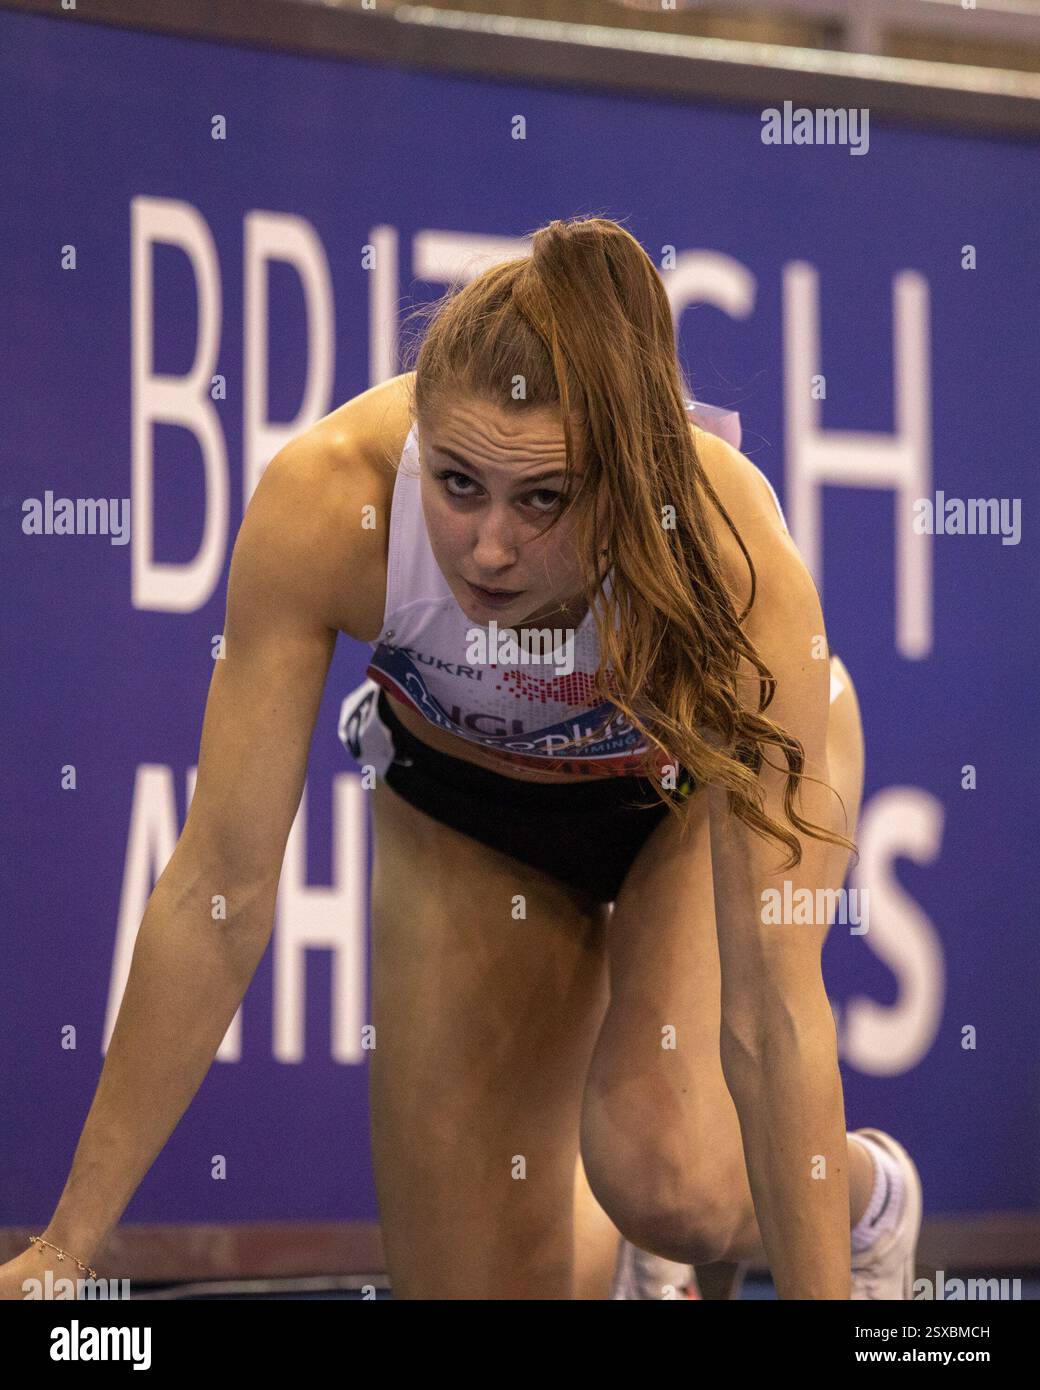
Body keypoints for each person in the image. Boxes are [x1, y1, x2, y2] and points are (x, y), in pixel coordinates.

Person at [1, 216, 920, 1302]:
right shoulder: (327, 498)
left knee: (666, 1171)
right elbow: (219, 888)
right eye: (455, 483)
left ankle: (868, 1203)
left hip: (684, 790)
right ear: (416, 435)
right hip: (466, 807)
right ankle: (627, 1268)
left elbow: (770, 1015)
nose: (488, 548)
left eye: (542, 500)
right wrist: (63, 1253)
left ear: (624, 480)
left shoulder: (725, 553)